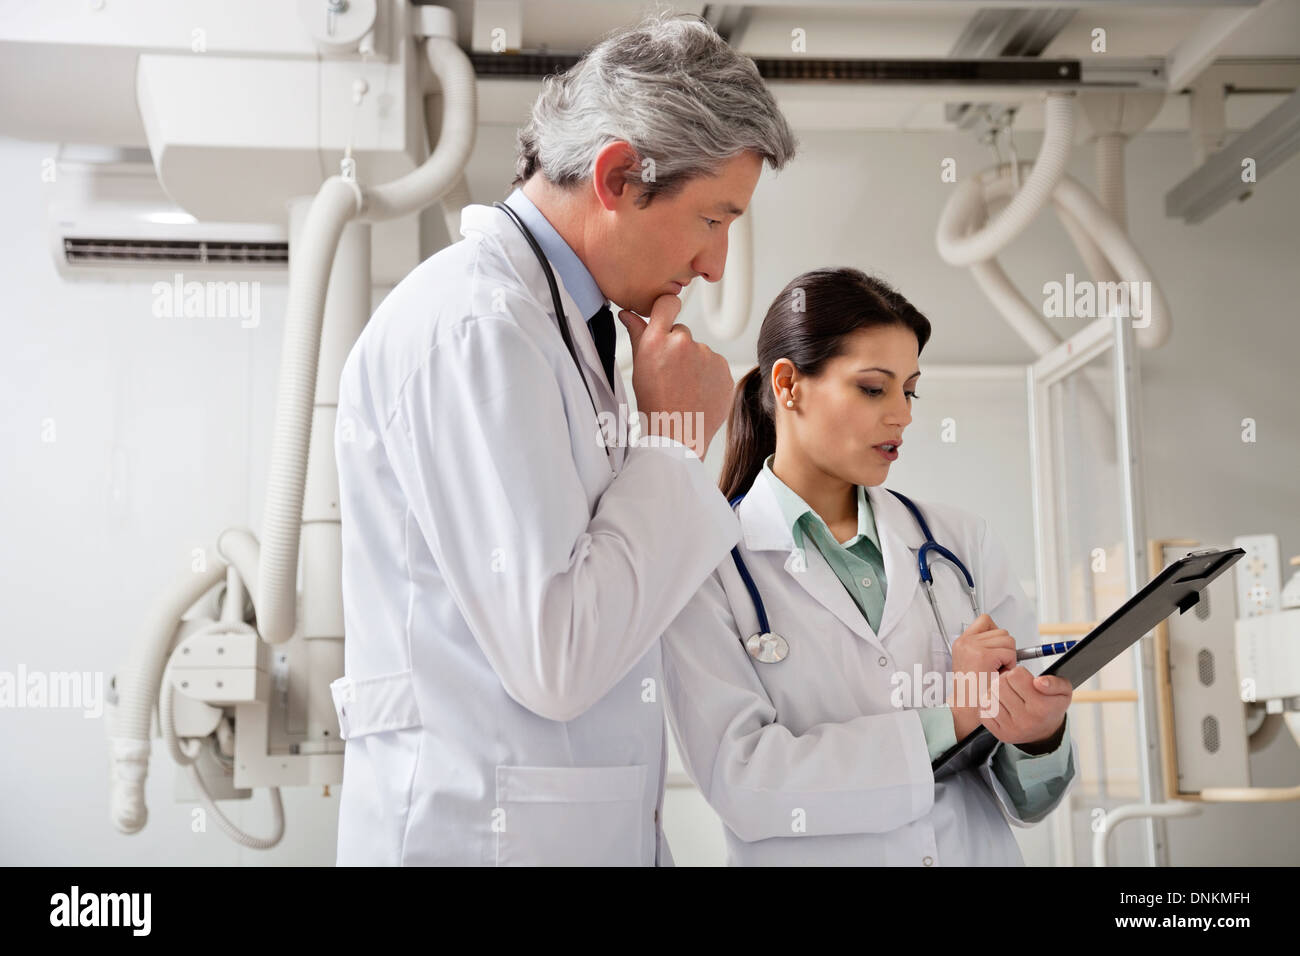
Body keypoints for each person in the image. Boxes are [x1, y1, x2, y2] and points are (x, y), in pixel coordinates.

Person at [329, 12, 797, 865]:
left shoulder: (563, 332)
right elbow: (559, 658)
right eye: (712, 220)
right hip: (474, 837)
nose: (716, 265)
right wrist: (674, 441)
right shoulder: (474, 329)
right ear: (620, 175)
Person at [661, 267, 1077, 865]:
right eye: (873, 388)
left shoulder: (961, 542)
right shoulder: (710, 564)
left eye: (909, 390)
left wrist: (1038, 734)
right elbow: (745, 784)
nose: (902, 416)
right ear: (789, 385)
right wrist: (954, 718)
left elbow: (1030, 802)